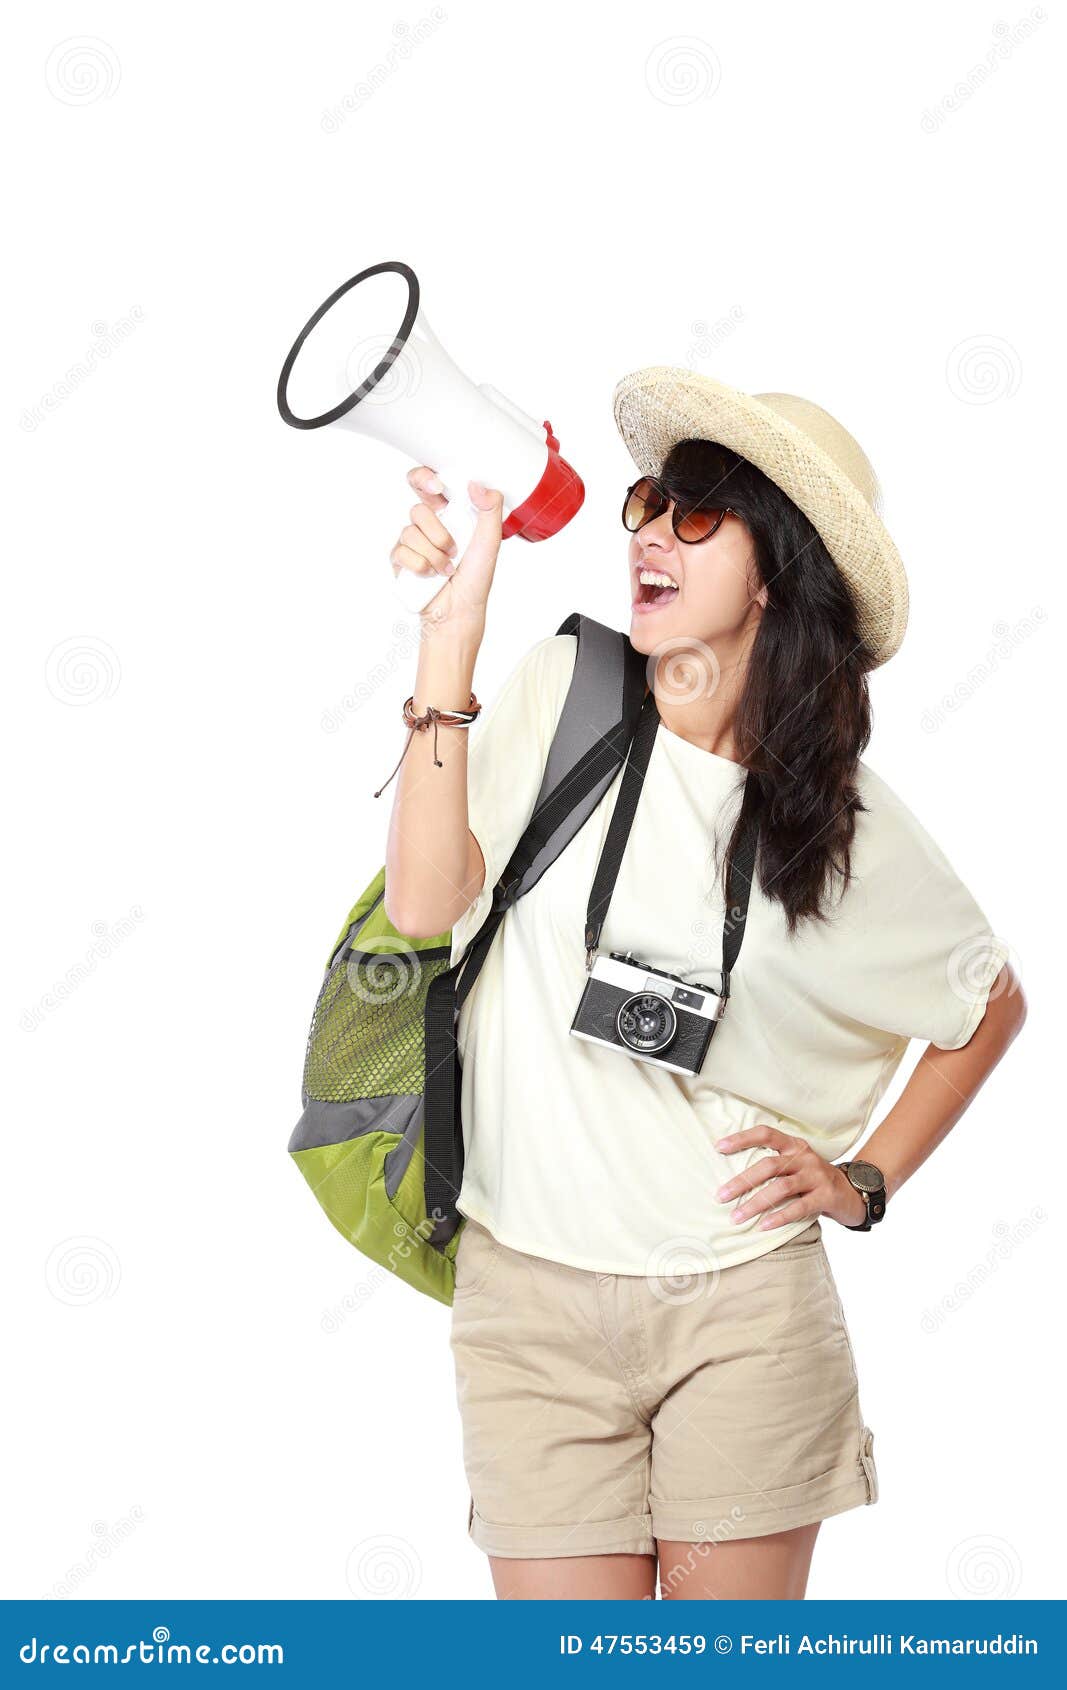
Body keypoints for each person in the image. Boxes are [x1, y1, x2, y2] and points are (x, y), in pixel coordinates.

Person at [381, 371, 1026, 1601]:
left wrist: (864, 1177)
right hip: (526, 1300)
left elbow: (983, 1000)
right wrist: (446, 631)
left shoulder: (839, 822)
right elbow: (422, 905)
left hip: (740, 1310)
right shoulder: (561, 696)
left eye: (694, 514)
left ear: (775, 572)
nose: (644, 533)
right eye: (644, 503)